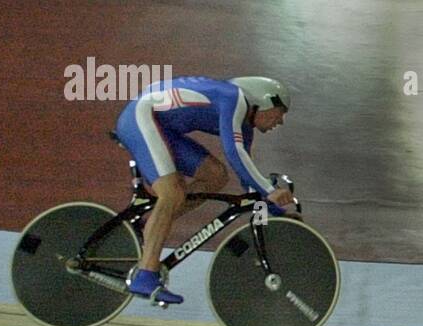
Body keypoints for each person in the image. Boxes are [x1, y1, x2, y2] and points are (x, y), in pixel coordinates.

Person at [113, 76, 296, 304]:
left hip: (162, 127)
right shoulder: (234, 99)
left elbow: (246, 178)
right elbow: (233, 152)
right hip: (140, 117)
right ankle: (146, 275)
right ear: (264, 102)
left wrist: (270, 207)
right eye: (280, 113)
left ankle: (151, 223)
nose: (280, 122)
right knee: (172, 193)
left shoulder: (245, 126)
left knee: (215, 176)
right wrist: (270, 190)